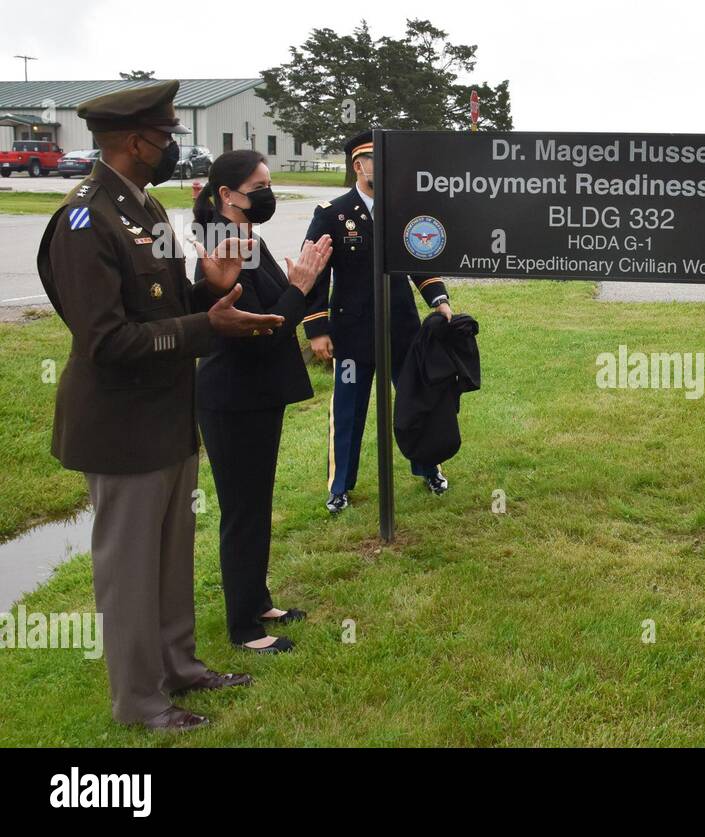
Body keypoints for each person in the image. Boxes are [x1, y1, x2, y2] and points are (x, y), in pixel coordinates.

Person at [35, 80, 281, 731]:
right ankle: (139, 698)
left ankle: (179, 666)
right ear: (136, 140)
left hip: (168, 416)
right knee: (130, 571)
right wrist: (210, 328)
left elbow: (169, 309)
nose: (174, 147)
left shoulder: (144, 208)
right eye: (166, 136)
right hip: (121, 428)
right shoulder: (86, 218)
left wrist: (211, 289)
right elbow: (105, 340)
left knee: (171, 558)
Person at [192, 150, 333, 653]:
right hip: (232, 398)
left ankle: (257, 600)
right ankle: (244, 629)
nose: (267, 194)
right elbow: (263, 329)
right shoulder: (220, 249)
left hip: (257, 395)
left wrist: (298, 290)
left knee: (256, 504)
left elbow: (279, 310)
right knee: (242, 512)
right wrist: (301, 287)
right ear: (227, 195)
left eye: (269, 184)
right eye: (259, 187)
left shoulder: (253, 239)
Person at [302, 129, 454, 514]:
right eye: (377, 160)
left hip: (401, 327)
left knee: (414, 400)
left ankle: (428, 467)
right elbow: (314, 273)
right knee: (349, 409)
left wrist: (437, 299)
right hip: (352, 332)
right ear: (359, 165)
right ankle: (340, 486)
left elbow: (420, 258)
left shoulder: (400, 210)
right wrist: (317, 328)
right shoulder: (331, 214)